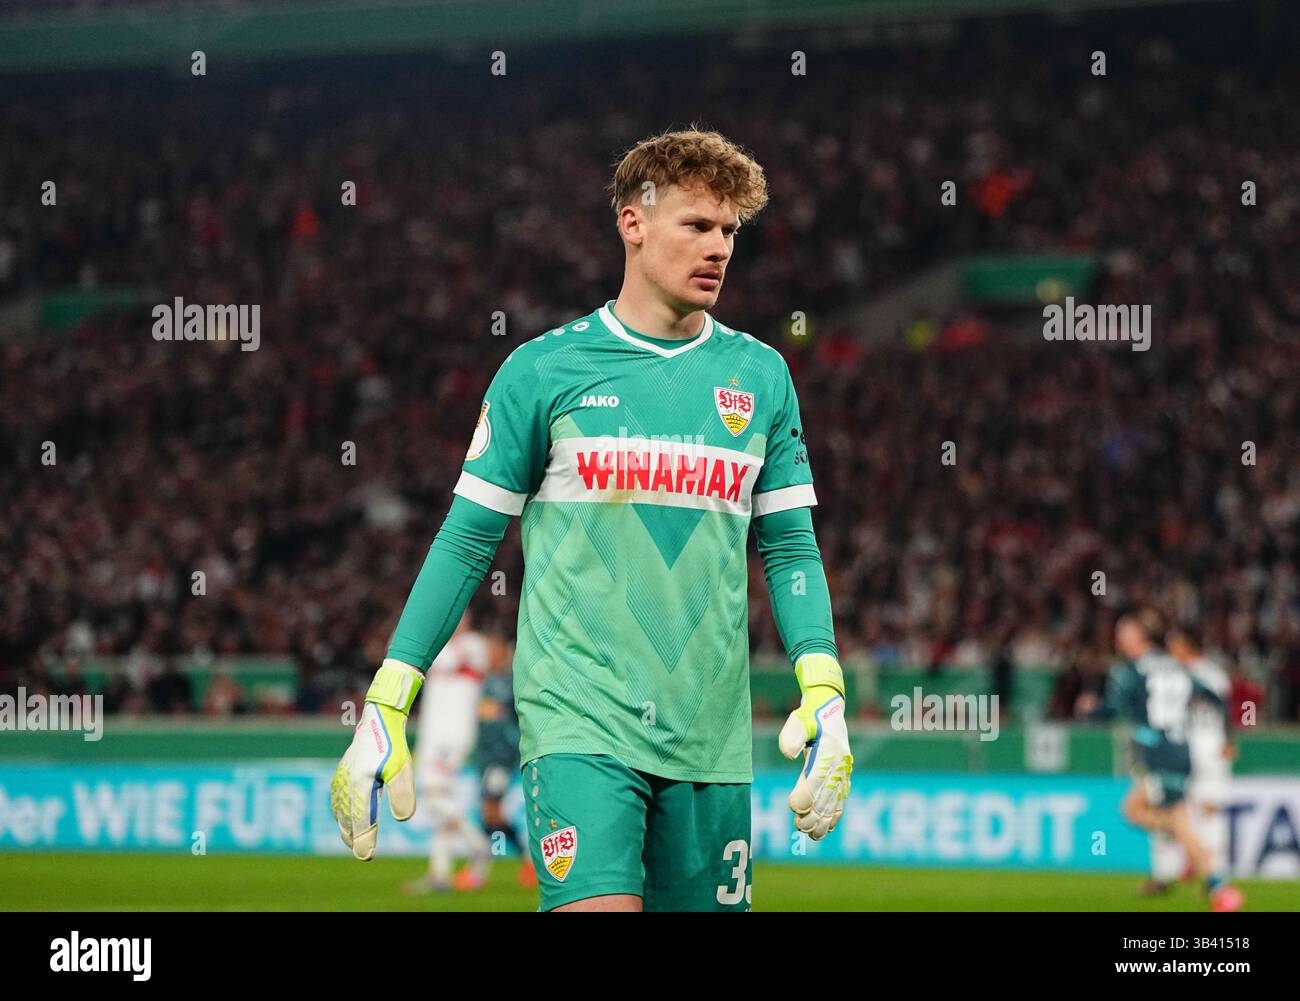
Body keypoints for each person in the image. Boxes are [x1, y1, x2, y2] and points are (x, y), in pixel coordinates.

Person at [331, 127, 853, 911]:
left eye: (729, 230)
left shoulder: (761, 375)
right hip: (578, 724)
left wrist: (824, 686)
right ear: (632, 223)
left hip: (710, 734)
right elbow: (468, 542)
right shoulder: (542, 371)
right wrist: (388, 694)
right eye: (697, 224)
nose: (718, 248)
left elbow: (789, 547)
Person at [1076, 610, 1242, 912]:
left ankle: (1217, 884)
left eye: (1124, 631)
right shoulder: (1175, 665)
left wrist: (1089, 710)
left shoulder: (1129, 672)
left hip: (1160, 751)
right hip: (1180, 749)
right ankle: (1198, 859)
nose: (1118, 637)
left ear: (1140, 635)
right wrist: (1228, 736)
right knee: (1151, 813)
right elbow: (1215, 698)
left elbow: (1110, 711)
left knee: (1146, 814)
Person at [405, 612, 493, 893]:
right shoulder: (437, 647)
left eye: (460, 616)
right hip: (431, 734)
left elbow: (468, 663)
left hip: (453, 734)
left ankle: (480, 847)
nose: (455, 621)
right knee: (439, 802)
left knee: (433, 794)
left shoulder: (474, 645)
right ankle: (440, 875)